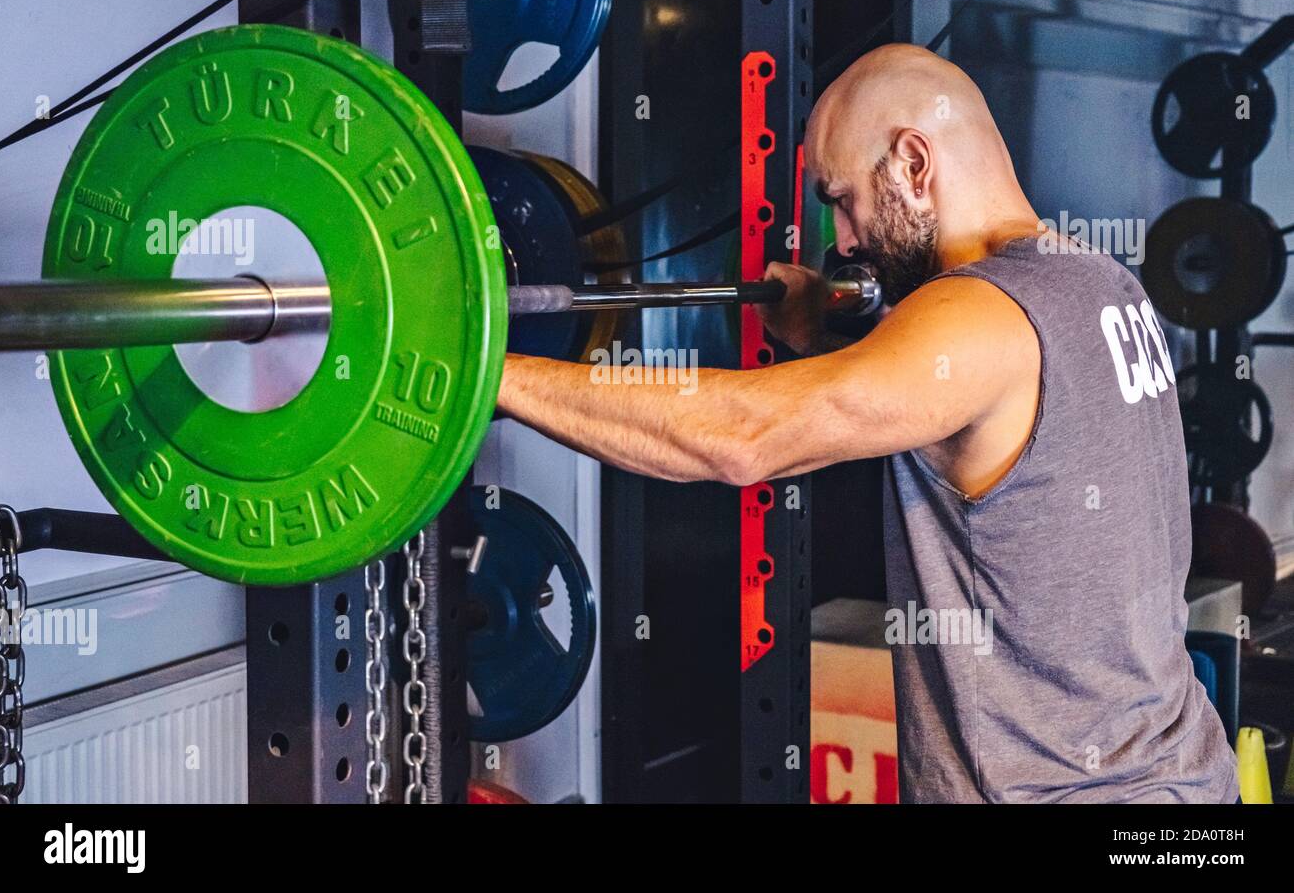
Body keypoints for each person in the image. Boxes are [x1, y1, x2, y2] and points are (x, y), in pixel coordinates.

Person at [497, 43, 1238, 803]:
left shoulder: (978, 318)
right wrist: (831, 330)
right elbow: (972, 400)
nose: (844, 240)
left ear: (914, 164)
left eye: (842, 198)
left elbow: (745, 439)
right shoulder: (1101, 281)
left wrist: (492, 373)